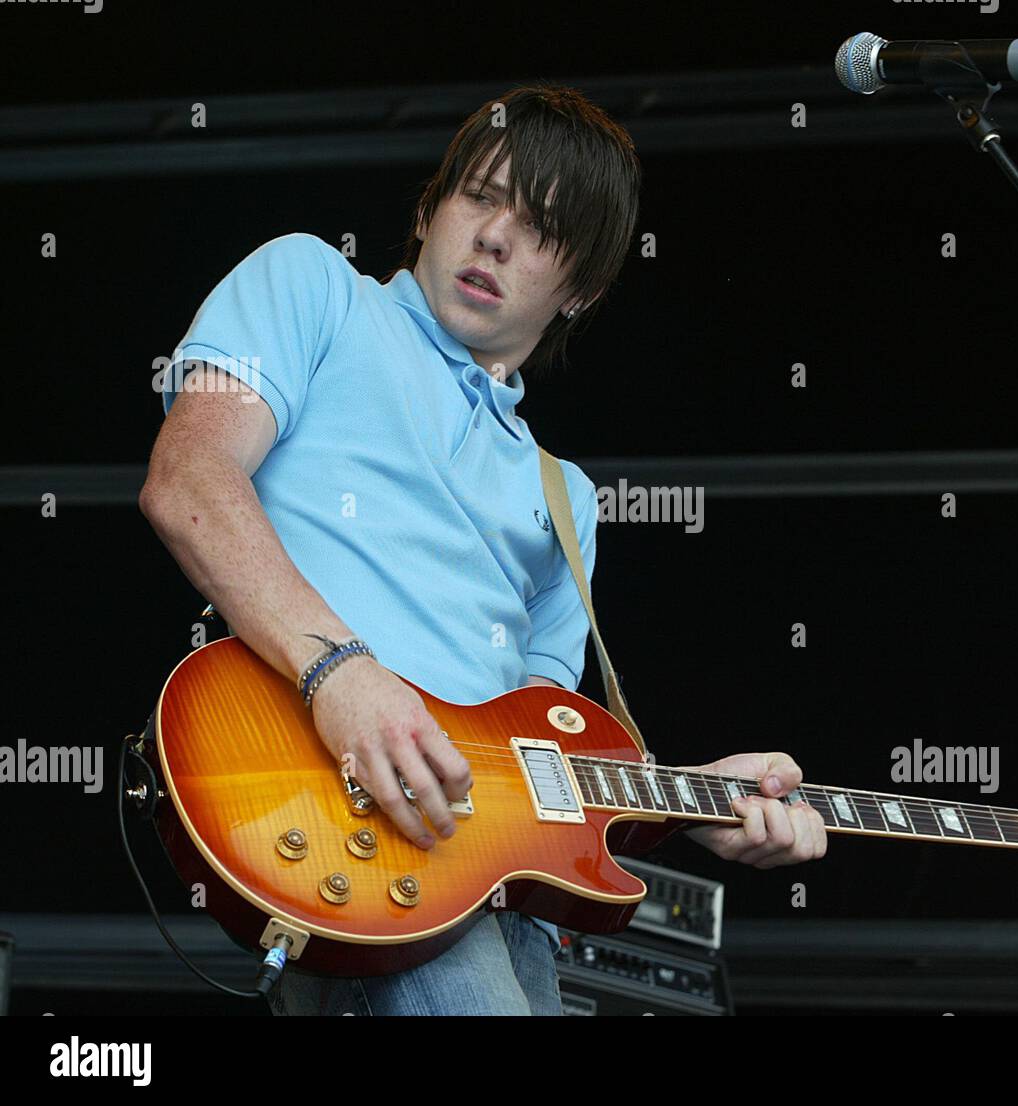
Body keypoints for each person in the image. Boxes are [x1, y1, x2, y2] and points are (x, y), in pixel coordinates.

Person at [140, 83, 827, 1016]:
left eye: (542, 227)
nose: (496, 236)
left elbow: (536, 764)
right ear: (430, 209)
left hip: (495, 888)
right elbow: (189, 483)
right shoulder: (312, 287)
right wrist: (342, 677)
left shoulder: (566, 496)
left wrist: (682, 804)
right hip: (332, 805)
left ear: (580, 289)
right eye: (480, 197)